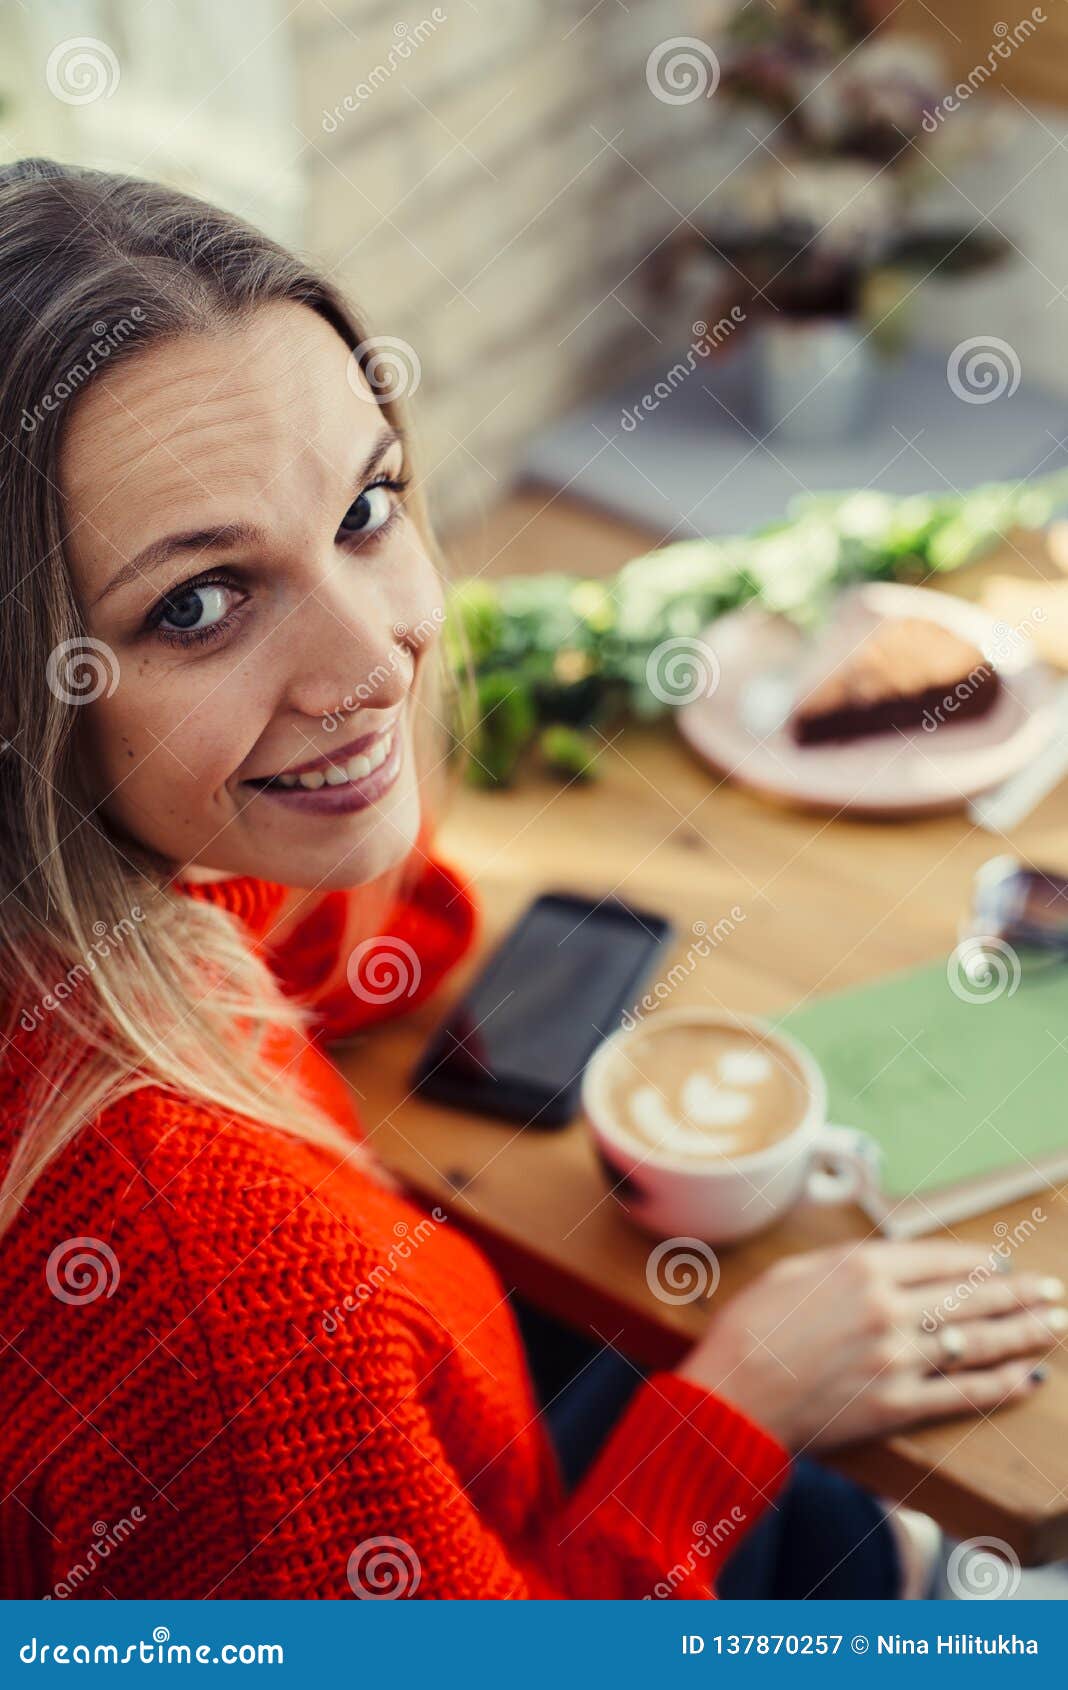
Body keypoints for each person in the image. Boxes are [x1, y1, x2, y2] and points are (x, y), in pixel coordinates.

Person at [0, 159, 1060, 1601]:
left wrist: (315, 801)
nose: (379, 656)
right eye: (199, 600)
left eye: (368, 507)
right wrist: (745, 1397)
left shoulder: (98, 921)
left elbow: (386, 925)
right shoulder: (229, 1315)